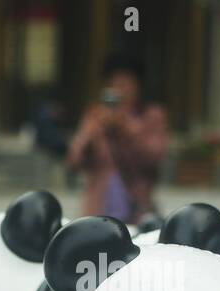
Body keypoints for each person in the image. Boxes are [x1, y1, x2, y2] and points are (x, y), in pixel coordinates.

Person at [67, 53, 168, 222]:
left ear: (138, 85)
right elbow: (74, 159)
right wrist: (91, 133)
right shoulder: (95, 115)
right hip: (98, 211)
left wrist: (126, 128)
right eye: (115, 83)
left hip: (137, 208)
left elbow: (155, 156)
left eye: (126, 83)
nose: (121, 88)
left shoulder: (151, 115)